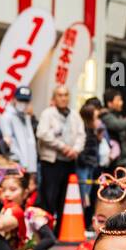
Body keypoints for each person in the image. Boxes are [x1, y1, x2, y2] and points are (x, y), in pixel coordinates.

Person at [36, 84, 86, 226]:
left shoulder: (75, 114)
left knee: (65, 197)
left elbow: (81, 135)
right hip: (52, 162)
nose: (63, 98)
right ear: (54, 98)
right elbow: (42, 133)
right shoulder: (48, 113)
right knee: (49, 198)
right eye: (60, 95)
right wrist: (62, 147)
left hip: (69, 161)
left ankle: (61, 231)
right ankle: (46, 230)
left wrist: (75, 150)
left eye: (66, 95)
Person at [0, 86, 39, 174]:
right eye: (20, 100)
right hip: (14, 165)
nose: (23, 103)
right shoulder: (6, 117)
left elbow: (31, 143)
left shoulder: (26, 117)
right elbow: (8, 143)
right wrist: (16, 162)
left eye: (26, 101)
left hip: (28, 167)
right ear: (14, 99)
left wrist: (32, 169)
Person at [101, 90, 126, 172]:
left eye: (121, 100)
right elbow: (120, 125)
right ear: (109, 103)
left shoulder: (117, 115)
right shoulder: (106, 116)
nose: (121, 103)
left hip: (121, 159)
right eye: (118, 100)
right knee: (113, 183)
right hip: (112, 160)